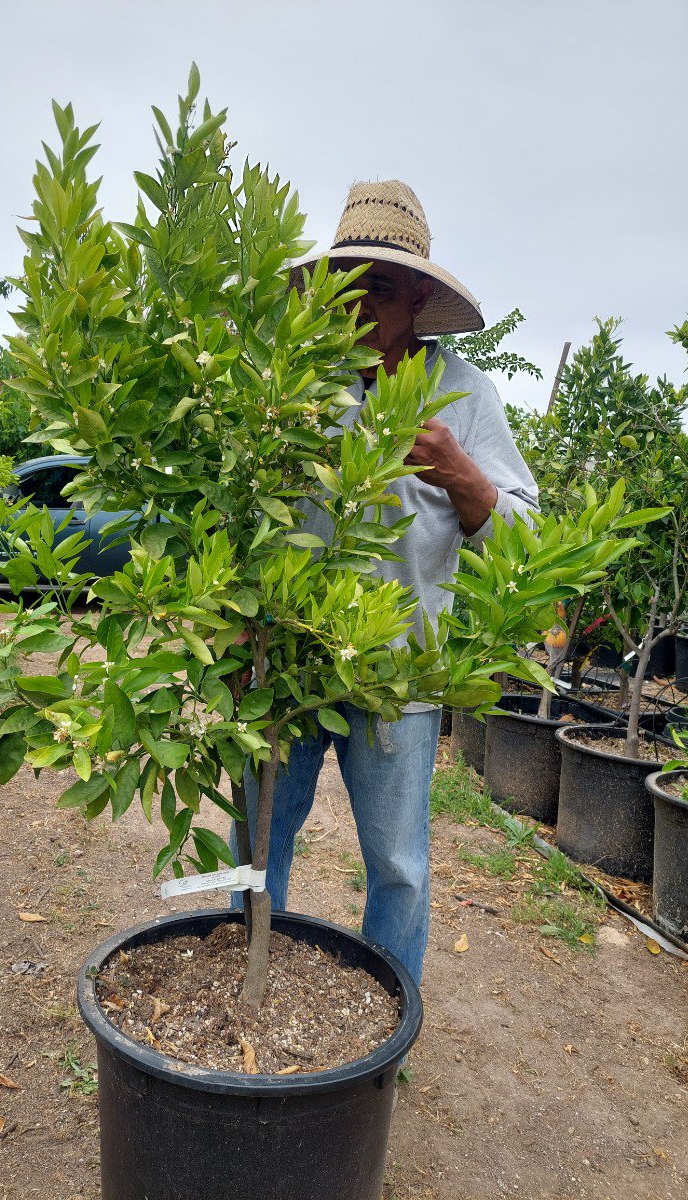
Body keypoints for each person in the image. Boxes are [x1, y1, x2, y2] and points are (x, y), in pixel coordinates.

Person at [233, 180, 538, 988]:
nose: (354, 300)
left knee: (398, 862)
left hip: (397, 673)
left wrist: (457, 472)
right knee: (258, 834)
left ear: (416, 295)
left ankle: (388, 1004)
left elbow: (525, 534)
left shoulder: (466, 396)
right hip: (289, 663)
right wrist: (236, 638)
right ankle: (251, 971)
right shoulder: (292, 382)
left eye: (373, 283)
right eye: (344, 281)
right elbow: (242, 523)